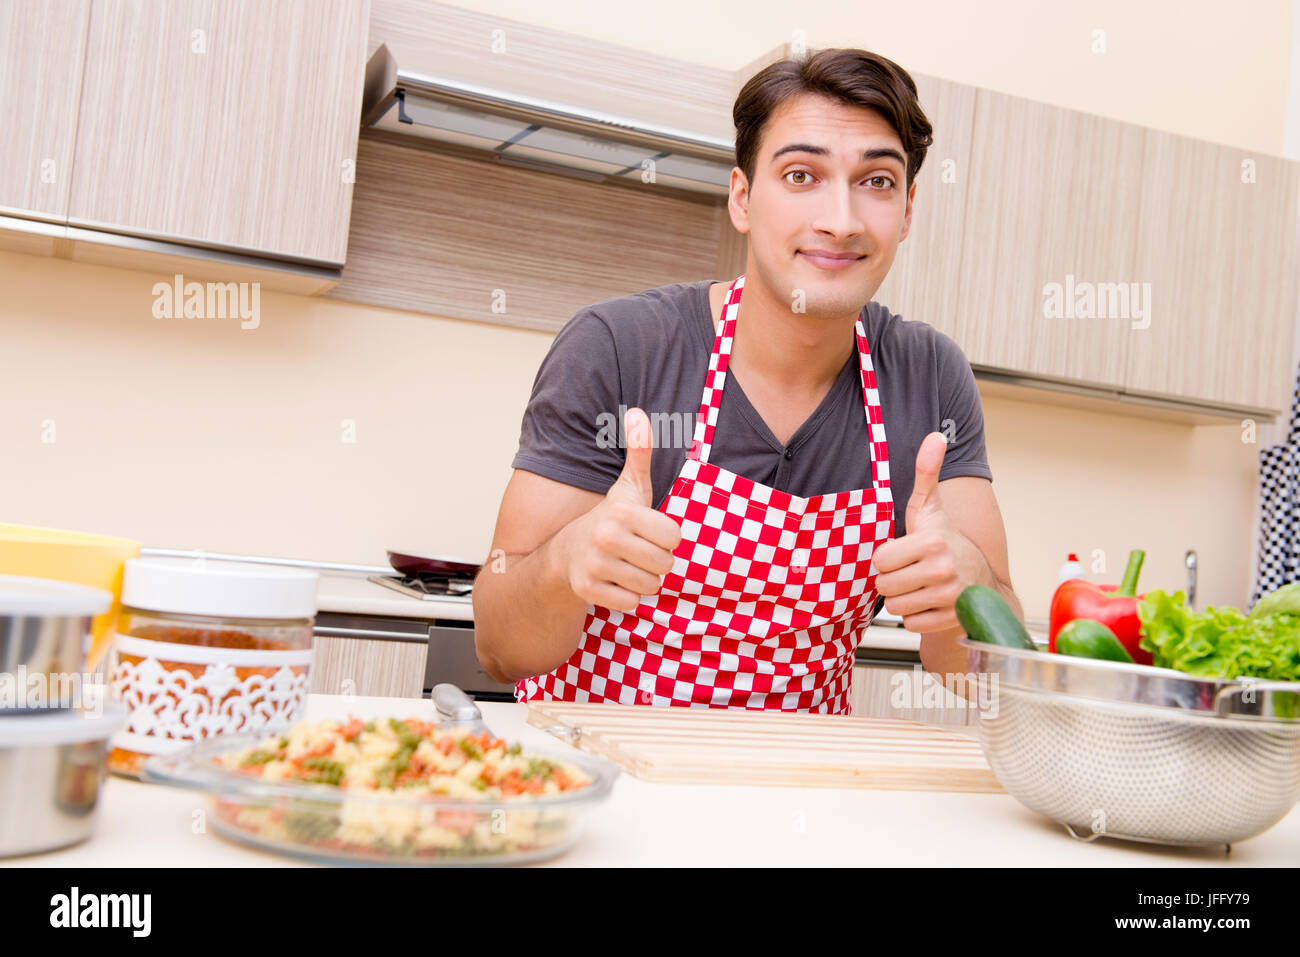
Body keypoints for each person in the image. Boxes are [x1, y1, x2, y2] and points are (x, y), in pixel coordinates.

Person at [473, 47, 1023, 712]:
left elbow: (984, 680)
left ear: (907, 211)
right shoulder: (618, 347)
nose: (840, 220)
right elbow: (500, 647)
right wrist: (567, 562)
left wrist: (967, 591)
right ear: (742, 197)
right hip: (607, 780)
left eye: (876, 182)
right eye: (801, 174)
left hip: (796, 792)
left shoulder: (928, 375)